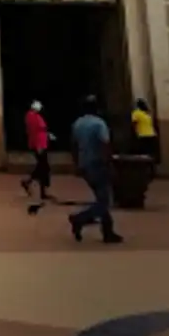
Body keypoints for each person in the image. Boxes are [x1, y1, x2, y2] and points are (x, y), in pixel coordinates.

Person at [68, 95, 122, 244]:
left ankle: (108, 232)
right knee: (104, 201)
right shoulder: (99, 124)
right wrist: (110, 164)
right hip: (98, 164)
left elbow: (73, 146)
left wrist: (76, 164)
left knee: (101, 198)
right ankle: (79, 219)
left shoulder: (78, 124)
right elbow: (105, 145)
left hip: (85, 165)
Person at [20, 100, 52, 209]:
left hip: (41, 143)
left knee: (43, 167)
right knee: (43, 167)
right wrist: (39, 146)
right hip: (39, 145)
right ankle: (29, 182)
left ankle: (41, 189)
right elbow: (35, 132)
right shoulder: (32, 117)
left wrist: (48, 135)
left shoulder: (34, 116)